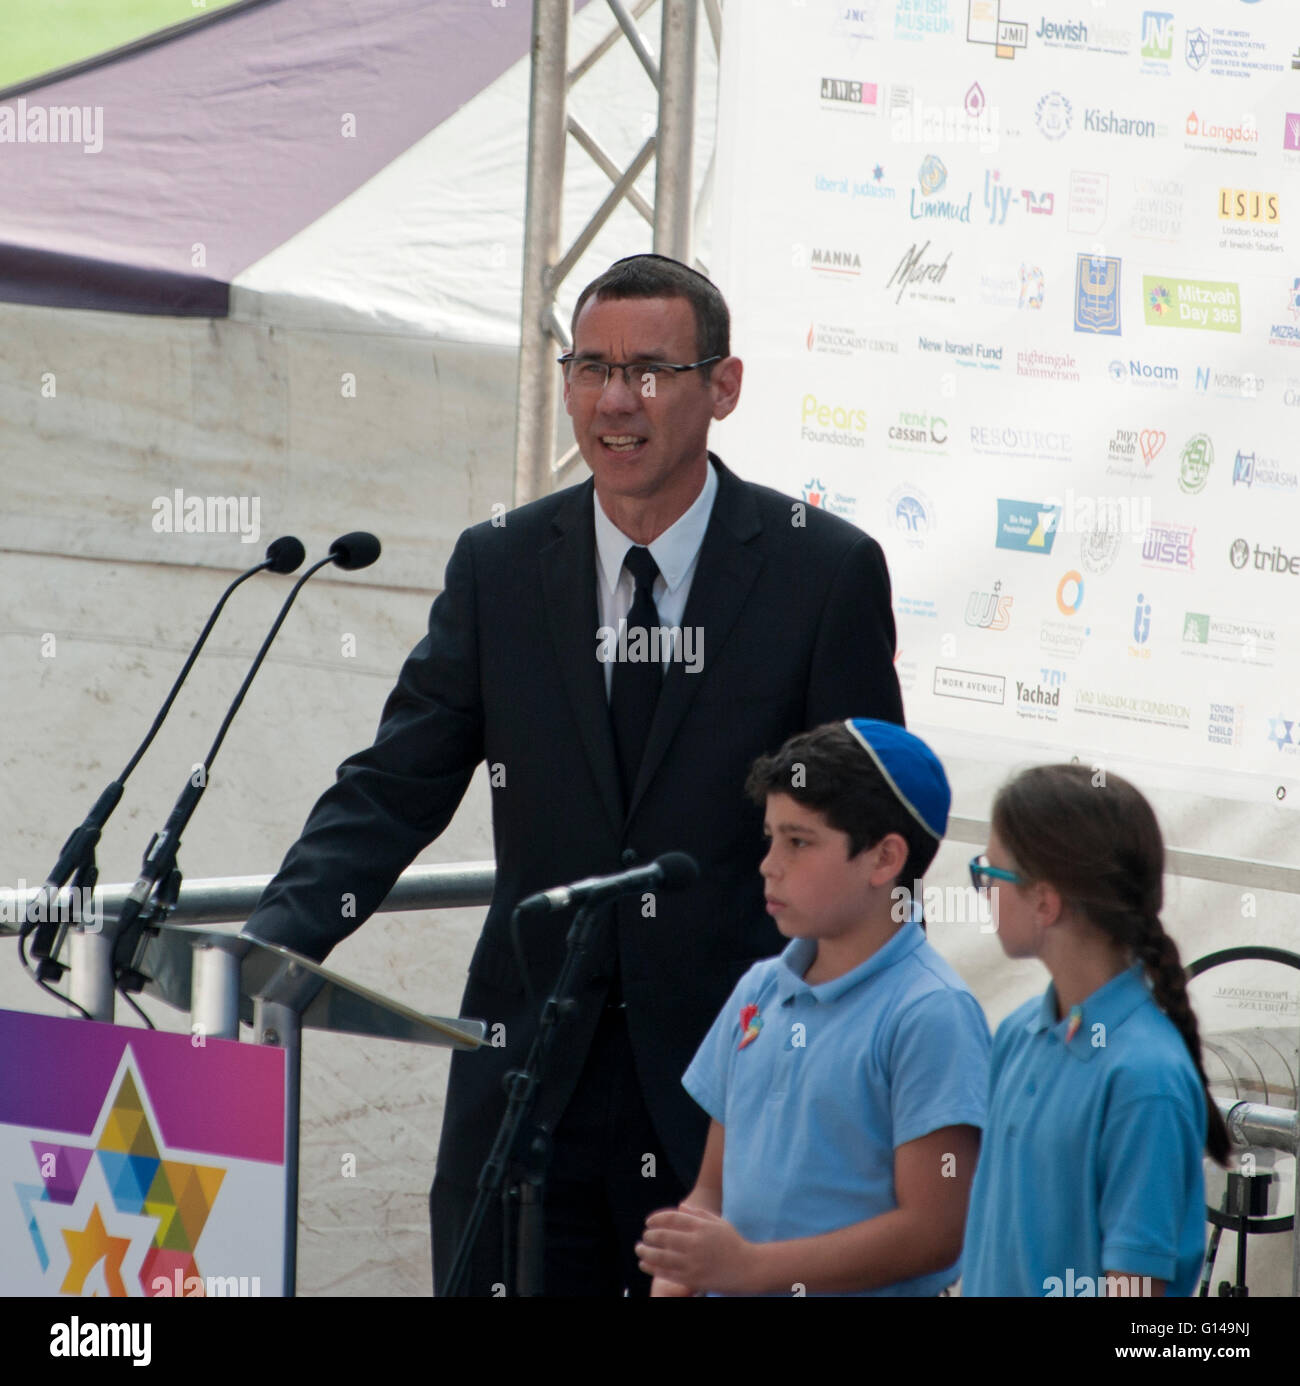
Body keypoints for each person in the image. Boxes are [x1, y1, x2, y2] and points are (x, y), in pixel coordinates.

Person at [242, 254, 905, 1295]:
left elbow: (867, 840)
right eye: (588, 366)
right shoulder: (500, 566)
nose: (612, 400)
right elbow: (396, 782)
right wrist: (275, 938)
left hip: (734, 1091)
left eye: (649, 371)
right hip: (526, 1082)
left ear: (721, 387)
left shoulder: (820, 571)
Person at [636, 719, 989, 1296]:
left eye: (798, 842)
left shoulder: (931, 1013)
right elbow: (711, 1192)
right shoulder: (758, 991)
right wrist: (682, 1273)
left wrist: (748, 1268)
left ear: (884, 860)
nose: (768, 864)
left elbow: (936, 1230)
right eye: (770, 837)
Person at [960, 764, 1230, 1298]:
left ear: (1044, 900)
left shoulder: (1144, 1079)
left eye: (990, 873)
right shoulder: (1019, 1035)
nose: (983, 890)